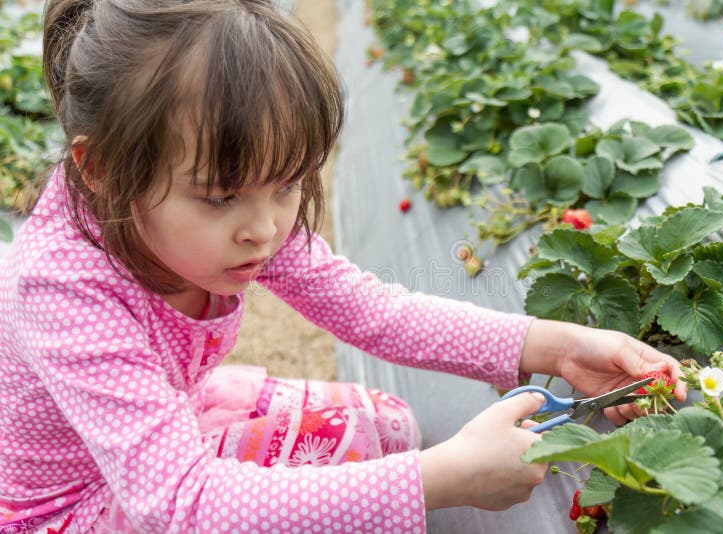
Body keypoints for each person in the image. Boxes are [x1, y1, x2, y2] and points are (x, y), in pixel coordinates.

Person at [0, 1, 687, 532]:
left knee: (387, 424)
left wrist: (558, 345)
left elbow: (370, 309)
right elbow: (182, 503)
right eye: (219, 196)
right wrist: (436, 481)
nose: (266, 227)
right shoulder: (62, 286)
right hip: (71, 509)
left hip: (154, 433)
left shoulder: (238, 217)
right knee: (373, 469)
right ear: (104, 171)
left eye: (289, 184)